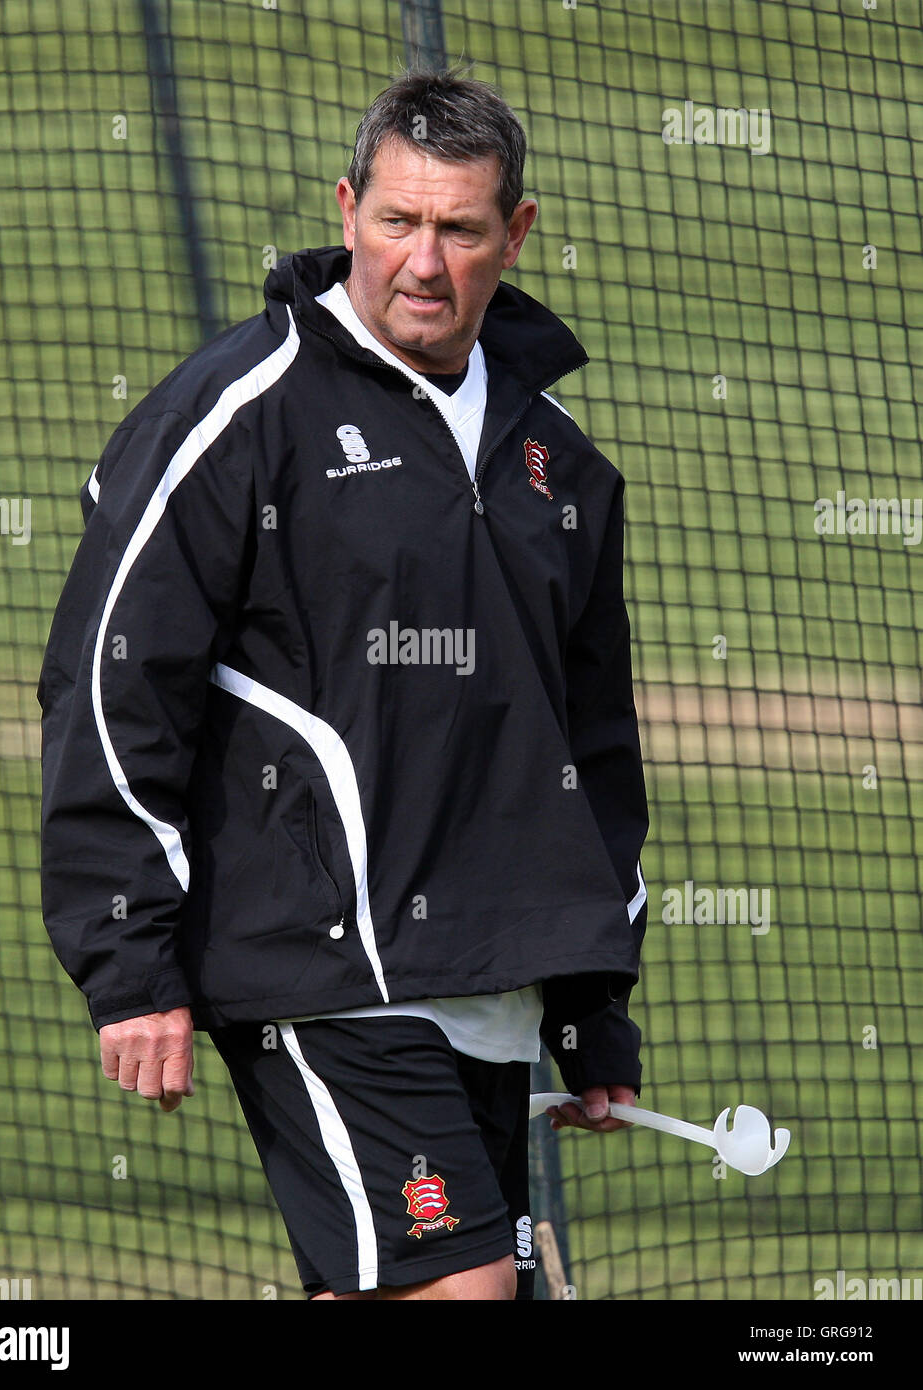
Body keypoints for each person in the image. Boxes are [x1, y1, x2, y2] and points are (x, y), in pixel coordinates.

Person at [37, 69, 649, 1301]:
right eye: (396, 222)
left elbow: (587, 746)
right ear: (347, 207)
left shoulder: (557, 464)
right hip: (316, 961)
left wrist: (590, 1003)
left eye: (460, 230)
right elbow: (112, 674)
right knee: (462, 1289)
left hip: (491, 977)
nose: (423, 262)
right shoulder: (237, 412)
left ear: (514, 235)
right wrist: (127, 957)